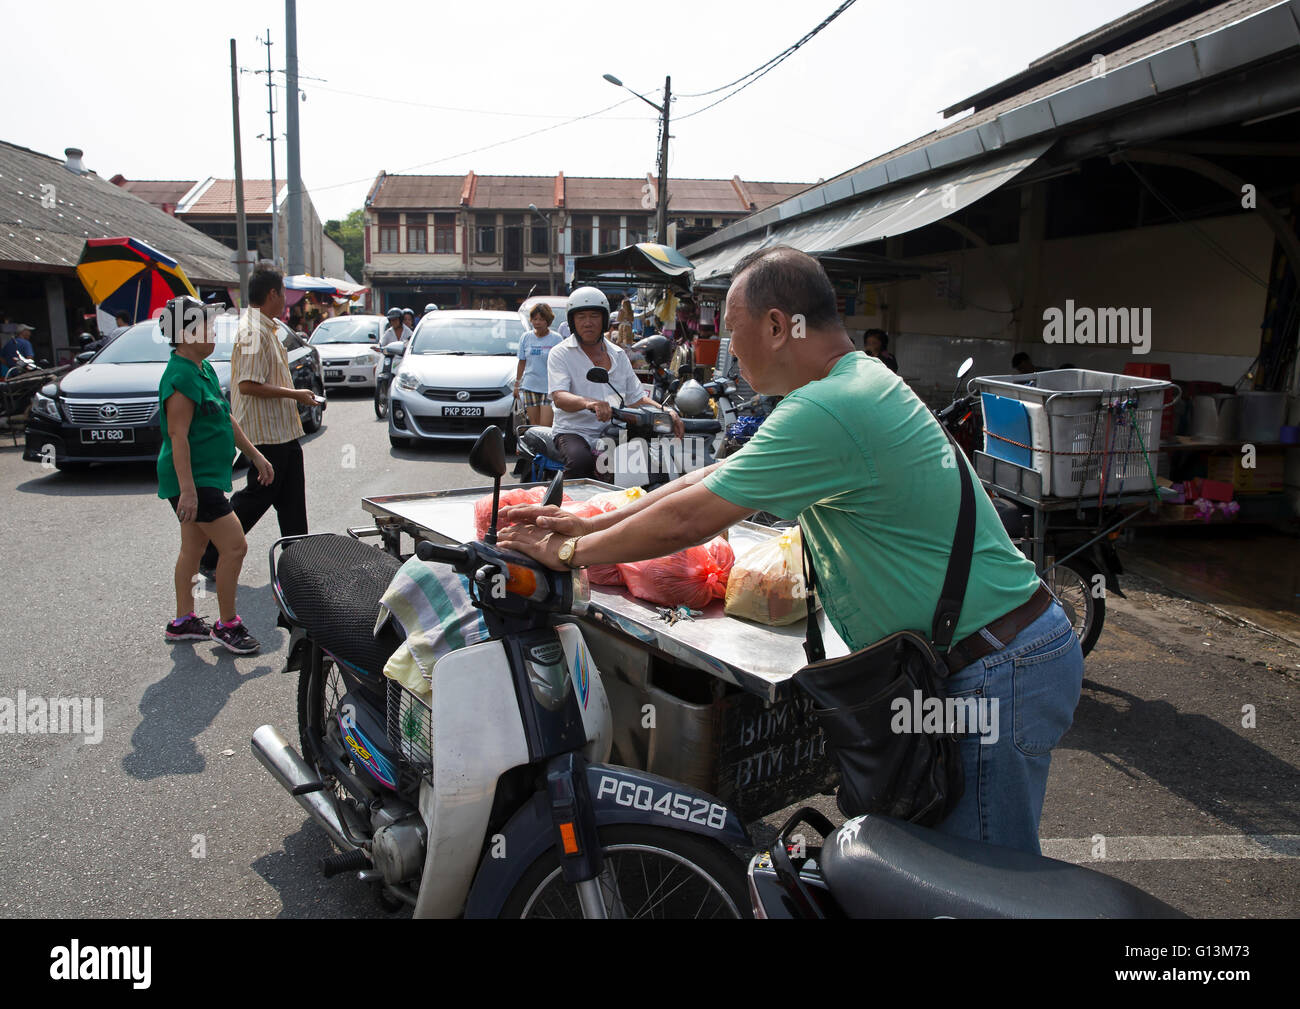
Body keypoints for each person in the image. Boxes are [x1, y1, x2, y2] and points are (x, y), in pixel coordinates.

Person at [501, 247, 1083, 856]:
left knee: (981, 882)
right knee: (943, 869)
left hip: (996, 665)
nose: (728, 347)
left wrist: (570, 556)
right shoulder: (850, 382)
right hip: (980, 657)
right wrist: (582, 525)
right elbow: (707, 480)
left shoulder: (830, 406)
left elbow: (691, 519)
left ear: (779, 326)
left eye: (735, 329)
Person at [157, 296, 274, 655]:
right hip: (194, 481)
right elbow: (178, 436)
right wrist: (188, 491)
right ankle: (227, 625)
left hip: (203, 478)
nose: (212, 332)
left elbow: (225, 418)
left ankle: (183, 621)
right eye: (206, 325)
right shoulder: (179, 376)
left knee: (193, 547)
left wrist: (255, 455)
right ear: (185, 333)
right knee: (235, 546)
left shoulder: (201, 369)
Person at [199, 268, 316, 580]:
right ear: (273, 294)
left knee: (291, 501)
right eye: (283, 294)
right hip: (264, 434)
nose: (285, 302)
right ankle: (210, 553)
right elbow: (248, 384)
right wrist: (296, 394)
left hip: (282, 431)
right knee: (256, 497)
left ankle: (298, 562)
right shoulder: (252, 331)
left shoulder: (268, 328)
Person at [546, 286, 683, 479]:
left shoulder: (618, 355)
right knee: (580, 462)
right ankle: (569, 507)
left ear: (603, 320)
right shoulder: (560, 353)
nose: (587, 322)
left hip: (615, 431)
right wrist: (590, 403)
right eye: (581, 316)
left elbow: (637, 398)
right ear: (572, 321)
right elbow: (559, 397)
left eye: (594, 316)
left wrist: (667, 411)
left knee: (646, 465)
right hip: (574, 431)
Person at [515, 302, 562, 428]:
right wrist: (517, 384)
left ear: (548, 321)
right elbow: (522, 362)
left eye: (541, 319)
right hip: (530, 386)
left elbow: (562, 364)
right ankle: (535, 448)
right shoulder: (525, 337)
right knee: (534, 426)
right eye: (535, 319)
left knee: (545, 426)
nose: (537, 322)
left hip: (549, 388)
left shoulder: (557, 339)